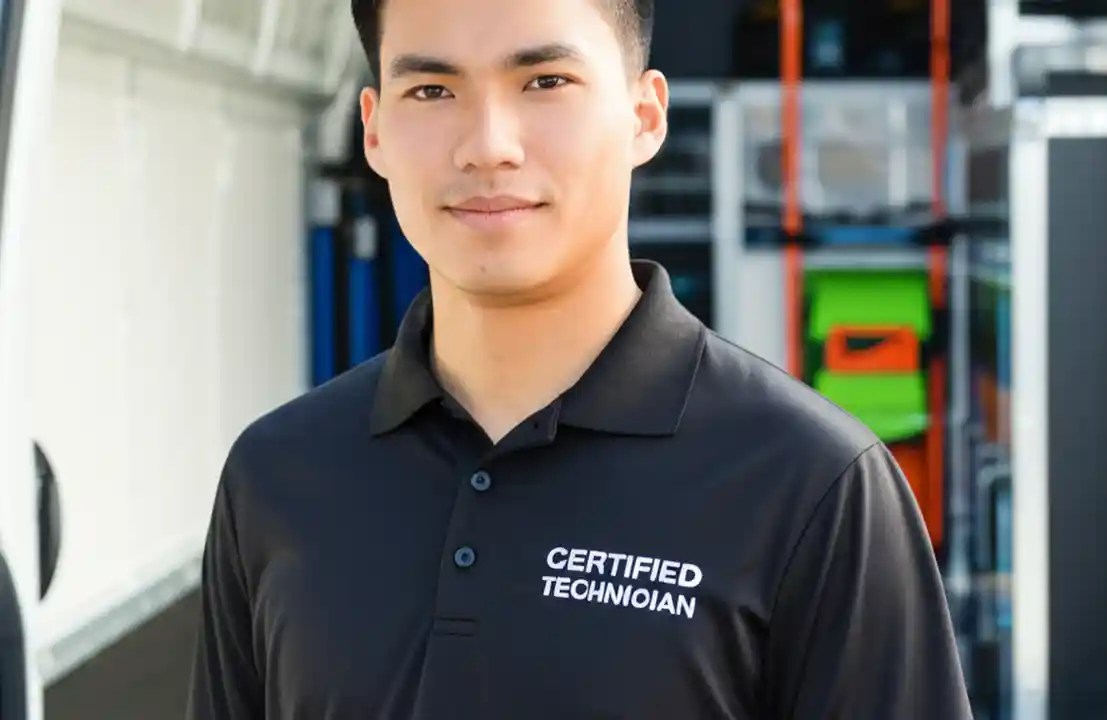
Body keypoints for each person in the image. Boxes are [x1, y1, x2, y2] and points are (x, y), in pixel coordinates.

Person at [186, 0, 973, 717]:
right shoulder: (278, 476)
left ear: (644, 115)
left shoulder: (811, 485)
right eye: (432, 91)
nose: (487, 145)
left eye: (545, 81)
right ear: (376, 130)